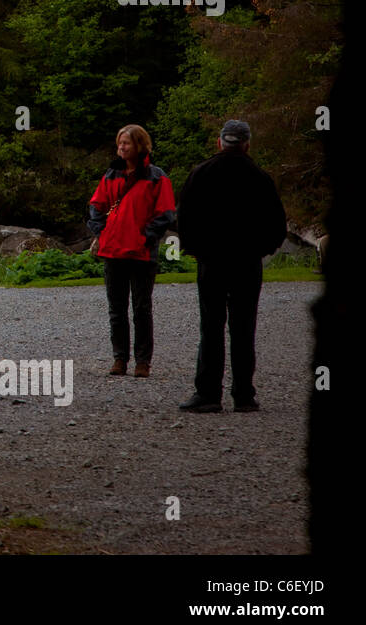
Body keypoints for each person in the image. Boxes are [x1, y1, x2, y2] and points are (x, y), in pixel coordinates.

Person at [176, 120, 287, 413]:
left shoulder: (201, 174)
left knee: (211, 327)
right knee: (243, 327)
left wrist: (197, 251)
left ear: (219, 142)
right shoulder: (259, 178)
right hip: (247, 263)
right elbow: (277, 225)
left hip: (212, 262)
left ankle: (208, 393)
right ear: (247, 144)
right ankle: (244, 394)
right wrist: (261, 250)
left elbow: (184, 219)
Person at [87, 124, 176, 378]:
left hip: (140, 254)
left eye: (126, 143)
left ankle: (143, 362)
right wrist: (101, 231)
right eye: (119, 143)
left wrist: (144, 237)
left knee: (141, 309)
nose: (121, 147)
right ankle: (120, 359)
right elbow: (96, 205)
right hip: (114, 252)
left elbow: (166, 213)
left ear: (139, 145)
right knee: (116, 310)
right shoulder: (111, 174)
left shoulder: (157, 177)